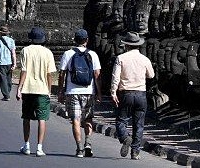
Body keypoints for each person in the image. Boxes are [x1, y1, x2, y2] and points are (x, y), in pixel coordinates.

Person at [58, 28, 102, 158]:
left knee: (76, 120)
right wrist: (99, 93)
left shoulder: (68, 53)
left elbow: (62, 74)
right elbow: (97, 75)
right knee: (88, 118)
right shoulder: (93, 54)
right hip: (89, 91)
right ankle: (88, 143)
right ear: (87, 40)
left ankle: (79, 148)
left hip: (72, 91)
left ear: (75, 40)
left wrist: (61, 91)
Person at [111, 32, 155, 159]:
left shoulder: (121, 58)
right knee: (139, 124)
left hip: (126, 93)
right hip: (141, 93)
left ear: (126, 46)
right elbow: (151, 75)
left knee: (121, 120)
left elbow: (115, 77)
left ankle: (125, 137)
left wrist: (113, 92)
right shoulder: (144, 59)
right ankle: (135, 152)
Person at [15, 26, 57, 157]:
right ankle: (39, 147)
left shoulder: (25, 50)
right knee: (42, 118)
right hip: (42, 89)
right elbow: (49, 74)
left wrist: (19, 88)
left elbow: (24, 71)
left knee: (26, 117)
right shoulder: (48, 52)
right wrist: (49, 89)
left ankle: (26, 145)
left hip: (28, 88)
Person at [0, 23, 17, 100]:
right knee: (9, 78)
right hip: (9, 62)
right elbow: (13, 53)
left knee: (2, 79)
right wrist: (15, 63)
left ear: (0, 33)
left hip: (1, 62)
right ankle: (8, 92)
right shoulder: (11, 41)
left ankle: (6, 94)